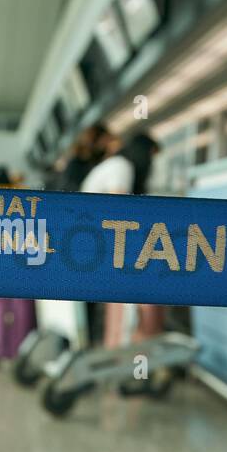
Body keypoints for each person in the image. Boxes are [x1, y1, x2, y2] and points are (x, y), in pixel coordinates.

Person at [81, 131, 162, 349]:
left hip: (87, 242)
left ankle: (121, 343)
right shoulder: (122, 168)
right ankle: (131, 344)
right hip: (91, 244)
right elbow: (119, 216)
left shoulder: (114, 165)